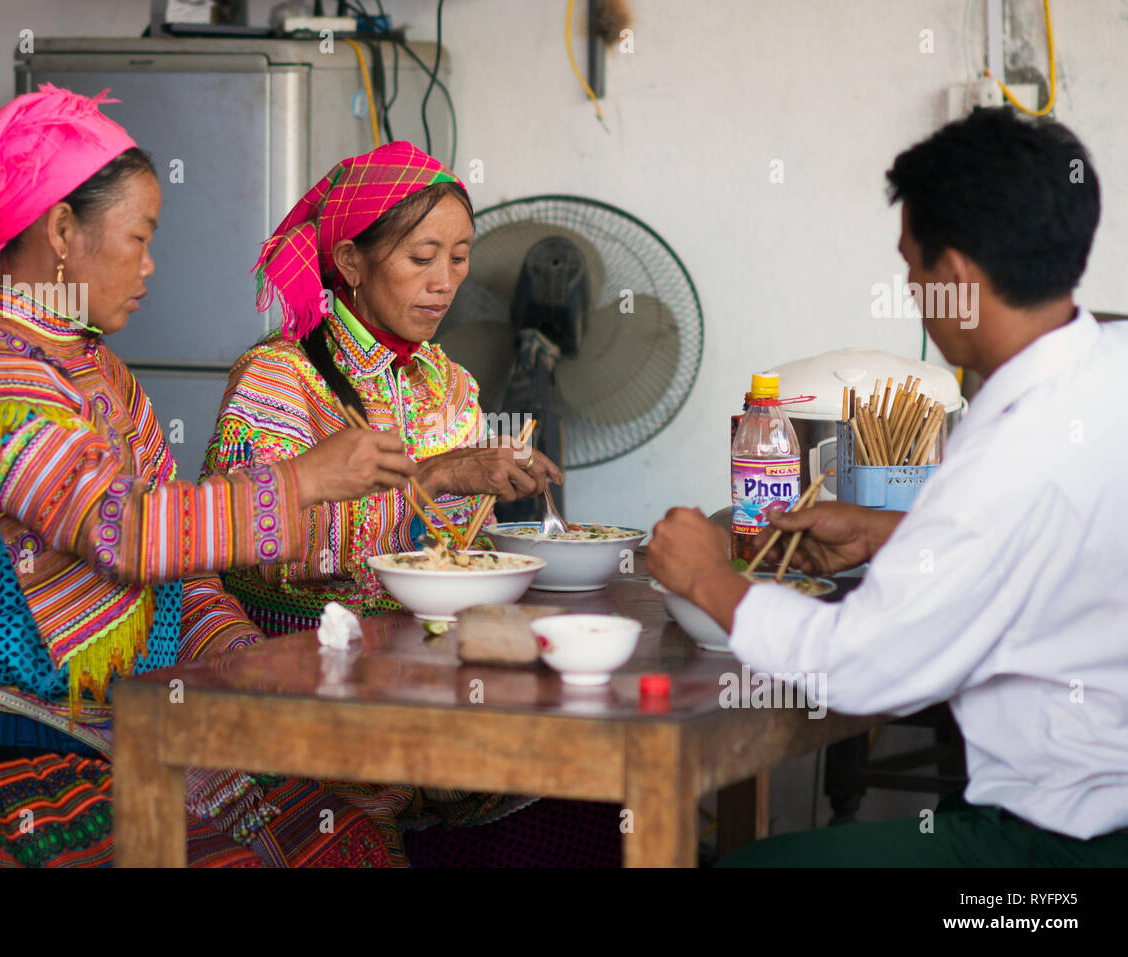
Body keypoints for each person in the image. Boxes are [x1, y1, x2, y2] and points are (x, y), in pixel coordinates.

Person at [0, 86, 440, 868]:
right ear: (64, 229)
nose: (150, 264)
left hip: (118, 720)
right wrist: (300, 481)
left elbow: (180, 560)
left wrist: (254, 664)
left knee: (343, 829)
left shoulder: (102, 375)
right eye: (139, 237)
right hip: (8, 747)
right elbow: (124, 531)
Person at [648, 107, 1128, 866]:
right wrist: (889, 533)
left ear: (959, 279)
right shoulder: (1109, 367)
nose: (908, 288)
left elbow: (864, 671)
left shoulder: (1008, 456)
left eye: (913, 266)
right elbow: (1053, 544)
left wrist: (708, 577)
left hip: (1063, 852)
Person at [203, 140, 562, 634]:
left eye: (459, 258)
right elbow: (247, 543)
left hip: (427, 651)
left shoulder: (449, 384)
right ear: (351, 261)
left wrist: (489, 489)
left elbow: (468, 546)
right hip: (300, 663)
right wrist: (431, 478)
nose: (445, 282)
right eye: (421, 258)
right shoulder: (277, 378)